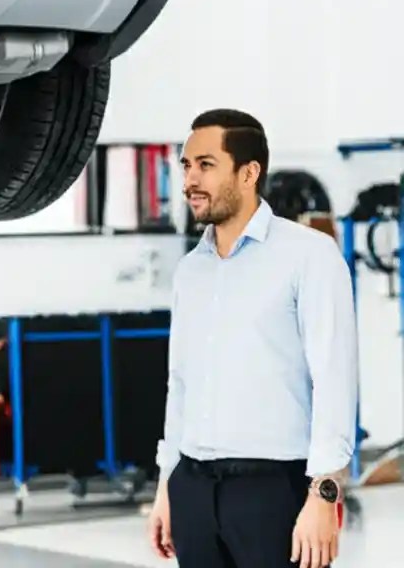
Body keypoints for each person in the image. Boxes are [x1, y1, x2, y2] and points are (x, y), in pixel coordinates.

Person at [147, 109, 359, 568]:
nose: (190, 180)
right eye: (186, 166)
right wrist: (167, 485)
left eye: (206, 165)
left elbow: (334, 378)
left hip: (273, 493)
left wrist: (324, 493)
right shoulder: (191, 270)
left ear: (249, 173)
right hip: (193, 491)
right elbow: (180, 384)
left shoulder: (308, 256)